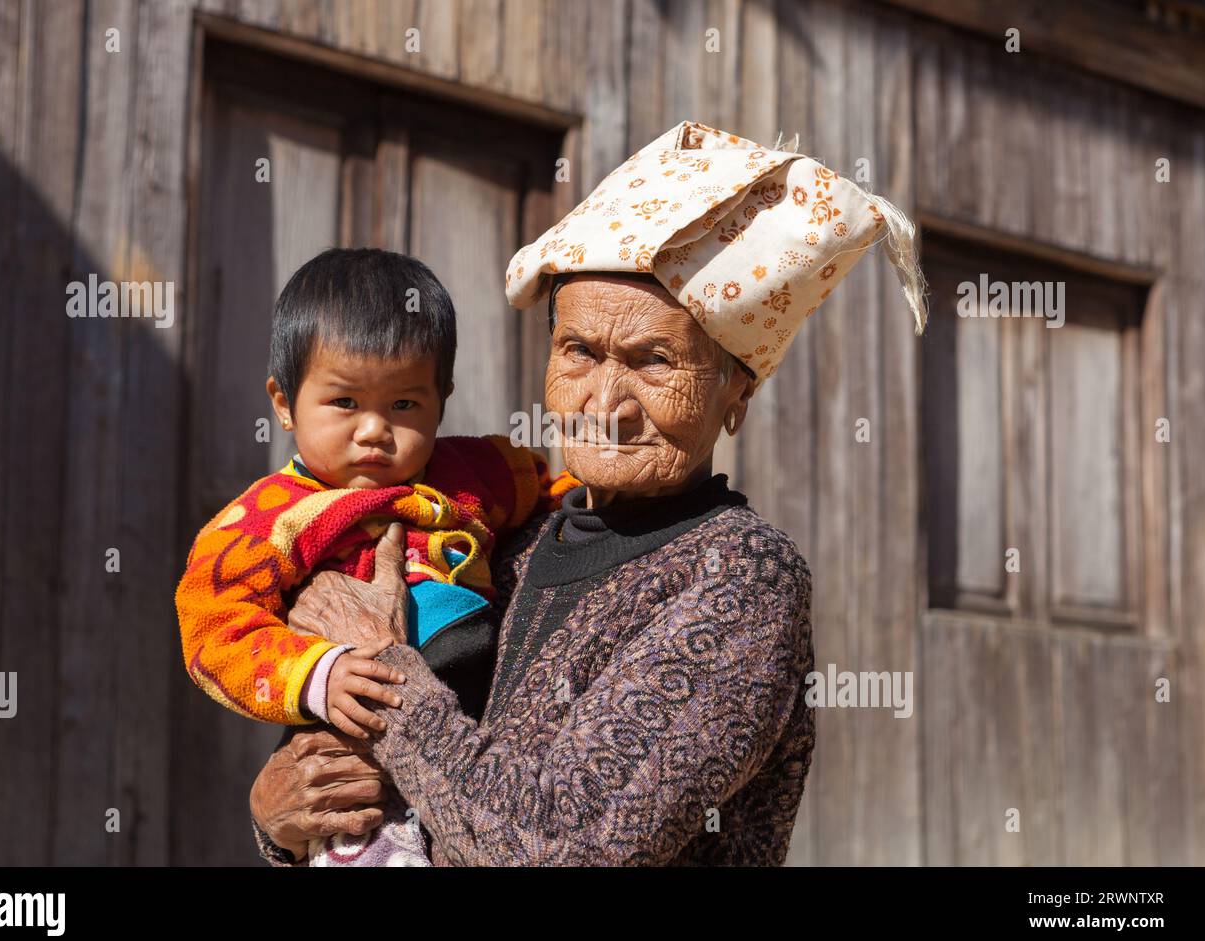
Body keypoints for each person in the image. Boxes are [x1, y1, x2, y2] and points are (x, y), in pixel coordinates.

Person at [247, 120, 927, 865]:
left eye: (654, 360)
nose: (606, 401)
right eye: (578, 352)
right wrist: (281, 819)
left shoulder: (737, 576)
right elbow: (425, 804)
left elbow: (563, 847)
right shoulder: (508, 544)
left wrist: (382, 673)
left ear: (736, 394)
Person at [175, 248, 576, 866]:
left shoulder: (474, 472)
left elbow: (554, 490)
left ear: (442, 400)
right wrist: (317, 672)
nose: (374, 431)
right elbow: (211, 619)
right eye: (344, 403)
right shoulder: (273, 516)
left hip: (477, 737)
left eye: (404, 406)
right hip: (353, 743)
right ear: (284, 403)